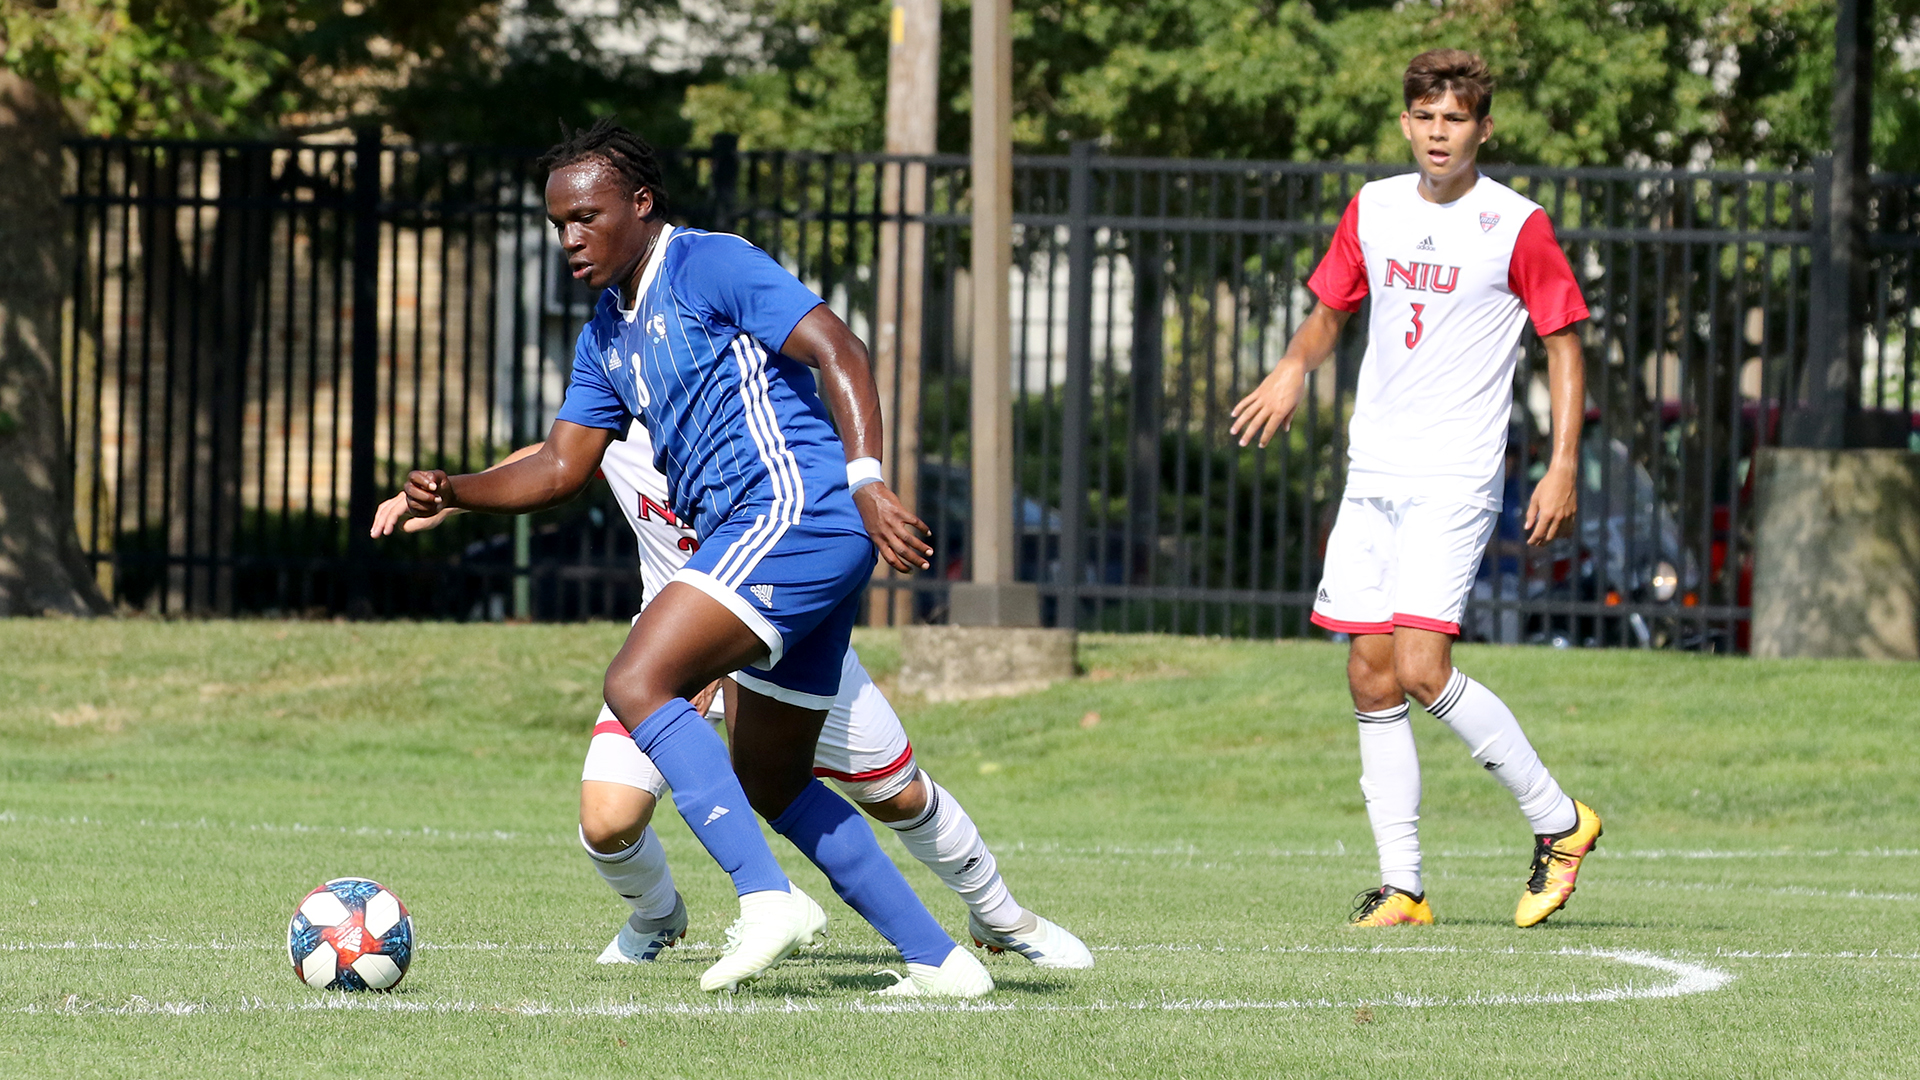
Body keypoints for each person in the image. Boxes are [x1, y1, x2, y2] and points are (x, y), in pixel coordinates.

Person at [390, 118, 990, 996]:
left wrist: (867, 478)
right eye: (559, 223)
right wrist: (456, 490)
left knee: (638, 682)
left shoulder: (708, 261)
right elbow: (562, 466)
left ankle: (766, 901)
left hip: (794, 509)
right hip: (784, 533)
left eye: (587, 217)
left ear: (641, 204)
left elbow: (840, 348)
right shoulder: (608, 332)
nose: (570, 239)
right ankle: (940, 961)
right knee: (771, 777)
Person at [373, 424, 1094, 970]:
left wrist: (728, 649)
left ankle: (1002, 917)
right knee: (606, 821)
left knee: (898, 796)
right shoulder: (625, 399)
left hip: (786, 636)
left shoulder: (746, 426)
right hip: (667, 645)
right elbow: (554, 452)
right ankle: (659, 917)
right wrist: (456, 498)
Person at [1230, 49, 1602, 929]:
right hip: (1376, 472)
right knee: (1369, 673)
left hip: (1455, 473)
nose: (1440, 133)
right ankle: (1405, 887)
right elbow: (1331, 311)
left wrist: (1563, 462)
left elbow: (1564, 344)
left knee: (1421, 665)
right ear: (1407, 124)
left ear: (1484, 129)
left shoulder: (1517, 224)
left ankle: (1561, 822)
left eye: (1457, 119)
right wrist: (1291, 369)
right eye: (1426, 117)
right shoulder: (1376, 206)